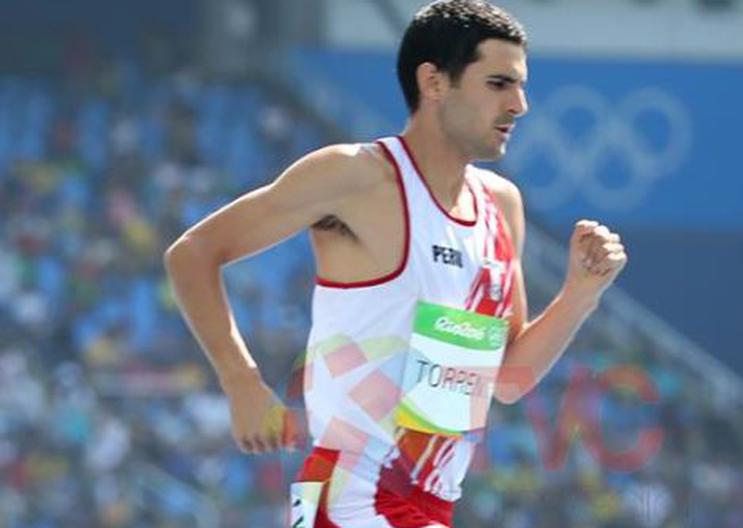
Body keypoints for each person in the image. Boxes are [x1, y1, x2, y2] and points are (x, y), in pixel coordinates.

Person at [163, 1, 627, 526]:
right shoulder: (355, 175)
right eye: (498, 84)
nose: (520, 104)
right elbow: (194, 253)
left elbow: (507, 379)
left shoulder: (502, 206)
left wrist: (581, 293)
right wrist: (241, 382)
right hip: (353, 496)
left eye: (520, 86)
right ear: (433, 82)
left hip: (431, 505)